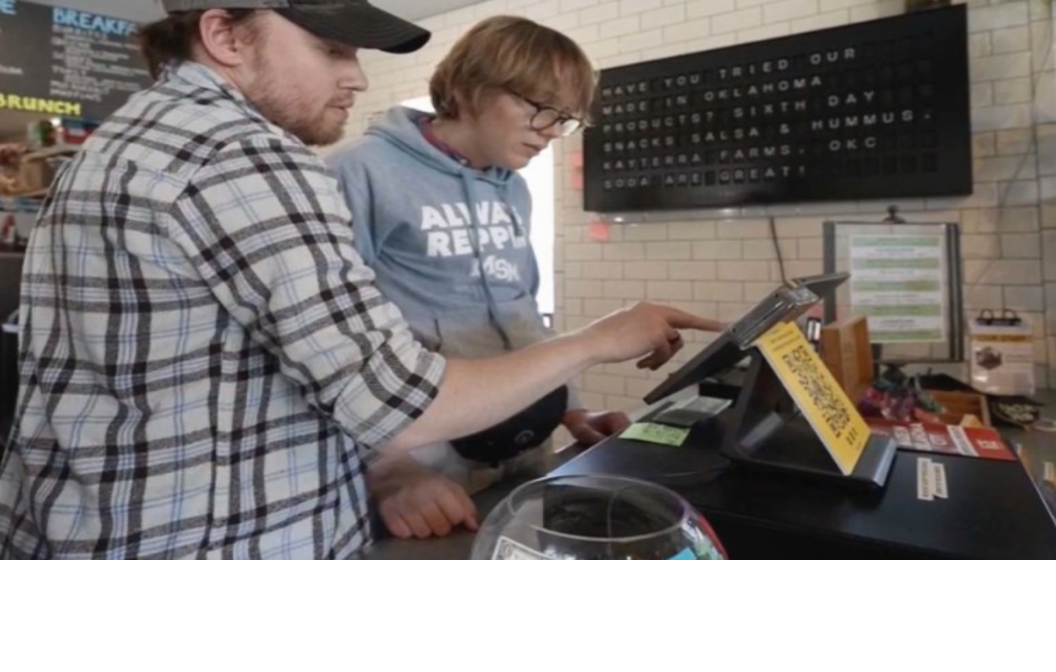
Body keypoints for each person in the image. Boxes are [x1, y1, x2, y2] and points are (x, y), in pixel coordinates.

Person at [0, 0, 721, 560]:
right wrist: (598, 340)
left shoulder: (136, 141)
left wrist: (561, 403)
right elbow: (390, 400)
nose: (358, 75)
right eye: (330, 48)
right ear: (225, 36)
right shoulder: (242, 157)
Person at [327, 16, 627, 541]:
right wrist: (386, 469)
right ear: (469, 89)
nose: (553, 131)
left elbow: (523, 308)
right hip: (422, 467)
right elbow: (330, 341)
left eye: (565, 118)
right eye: (539, 108)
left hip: (526, 444)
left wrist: (570, 408)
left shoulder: (513, 188)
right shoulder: (359, 170)